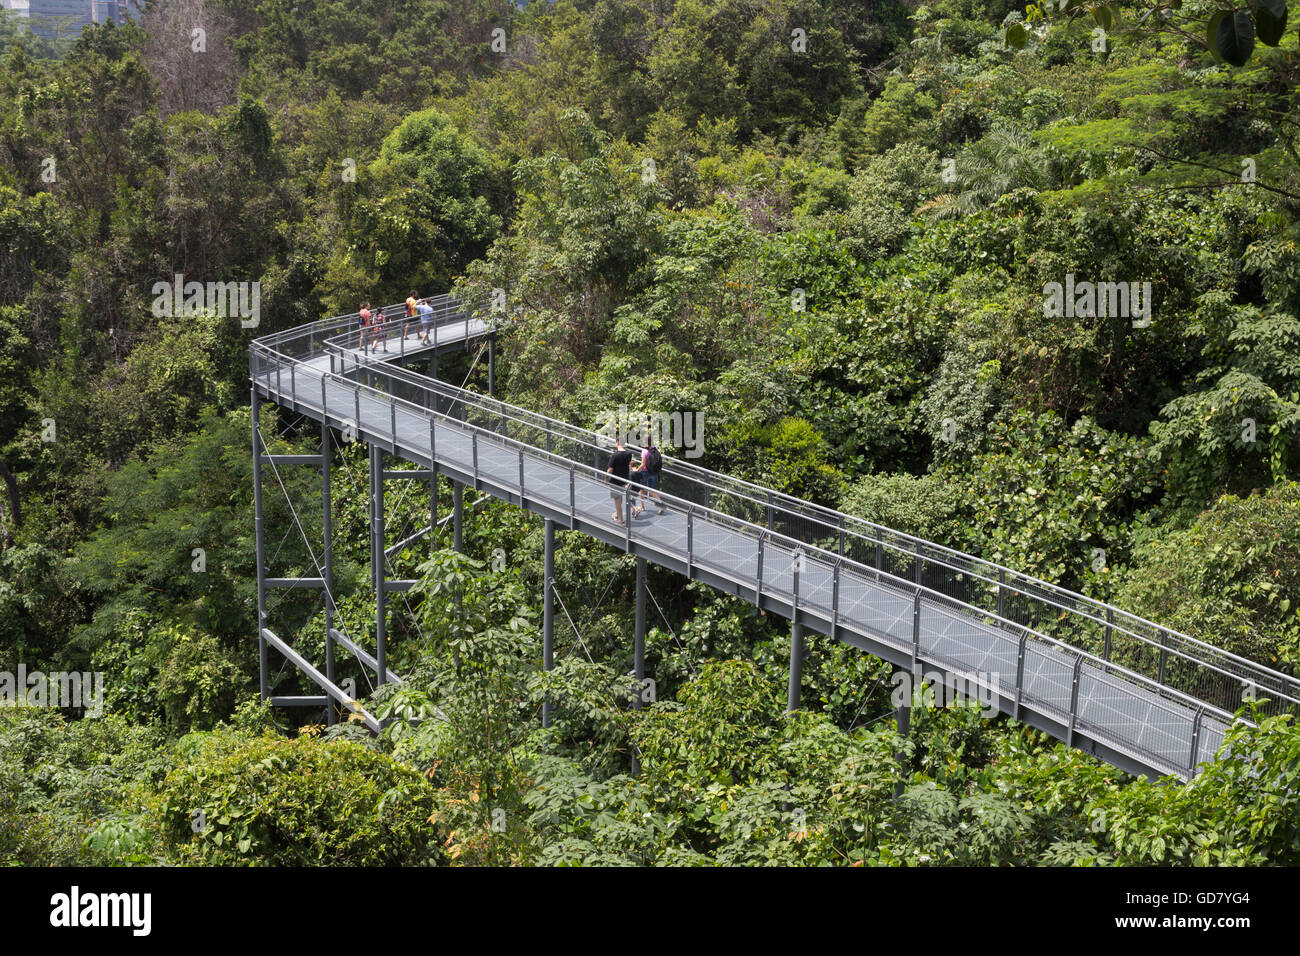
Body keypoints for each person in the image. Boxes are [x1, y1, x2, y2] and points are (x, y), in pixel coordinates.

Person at [632, 432, 665, 516]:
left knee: (641, 489)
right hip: (654, 472)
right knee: (651, 490)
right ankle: (659, 505)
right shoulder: (654, 449)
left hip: (645, 472)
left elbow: (643, 464)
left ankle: (643, 506)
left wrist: (636, 470)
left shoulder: (644, 451)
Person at [606, 436, 634, 525]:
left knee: (617, 500)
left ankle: (620, 520)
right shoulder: (629, 454)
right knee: (620, 498)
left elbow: (610, 469)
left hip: (615, 480)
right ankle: (618, 514)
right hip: (624, 479)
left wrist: (606, 478)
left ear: (617, 443)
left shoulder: (615, 455)